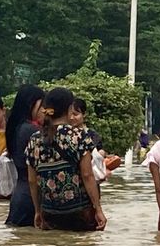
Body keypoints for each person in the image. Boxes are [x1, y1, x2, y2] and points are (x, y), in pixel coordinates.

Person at [26, 87, 106, 232]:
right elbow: (87, 175)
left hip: (50, 213)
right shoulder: (79, 136)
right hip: (79, 212)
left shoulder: (34, 140)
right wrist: (98, 209)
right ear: (69, 109)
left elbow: (32, 180)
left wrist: (37, 211)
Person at [5, 85, 45, 227]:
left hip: (20, 194)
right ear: (31, 105)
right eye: (41, 105)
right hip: (30, 196)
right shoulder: (30, 130)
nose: (44, 110)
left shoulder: (17, 127)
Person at [71, 98, 119, 181]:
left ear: (84, 114)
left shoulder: (93, 136)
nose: (72, 117)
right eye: (70, 114)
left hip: (90, 178)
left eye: (75, 114)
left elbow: (100, 153)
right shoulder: (65, 135)